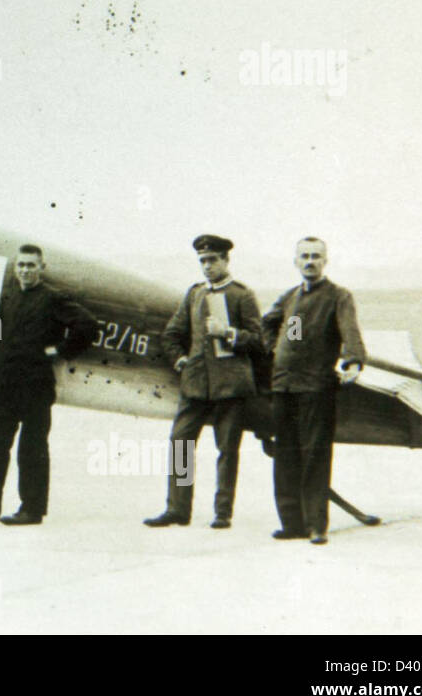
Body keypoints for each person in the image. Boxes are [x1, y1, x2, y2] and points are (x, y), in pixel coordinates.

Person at [0, 245, 99, 525]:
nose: (25, 270)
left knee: (31, 450)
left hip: (36, 386)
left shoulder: (53, 299)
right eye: (21, 265)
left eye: (31, 265)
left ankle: (31, 510)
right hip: (6, 385)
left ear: (42, 268)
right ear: (15, 267)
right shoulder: (7, 296)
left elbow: (88, 325)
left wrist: (61, 350)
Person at [143, 234, 263, 530]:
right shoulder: (194, 294)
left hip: (230, 385)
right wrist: (180, 360)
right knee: (181, 443)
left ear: (226, 260)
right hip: (195, 384)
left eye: (212, 260)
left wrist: (229, 333)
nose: (207, 266)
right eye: (203, 261)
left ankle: (222, 513)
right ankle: (177, 509)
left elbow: (260, 340)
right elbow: (172, 334)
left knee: (227, 450)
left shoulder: (242, 295)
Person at [261, 236, 366, 545]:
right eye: (304, 256)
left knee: (315, 457)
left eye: (316, 256)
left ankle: (316, 525)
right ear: (296, 261)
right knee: (286, 456)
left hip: (316, 388)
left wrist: (354, 361)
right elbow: (276, 326)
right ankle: (292, 523)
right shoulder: (291, 298)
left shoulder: (338, 296)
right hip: (284, 387)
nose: (310, 261)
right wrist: (275, 350)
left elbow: (350, 331)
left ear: (325, 261)